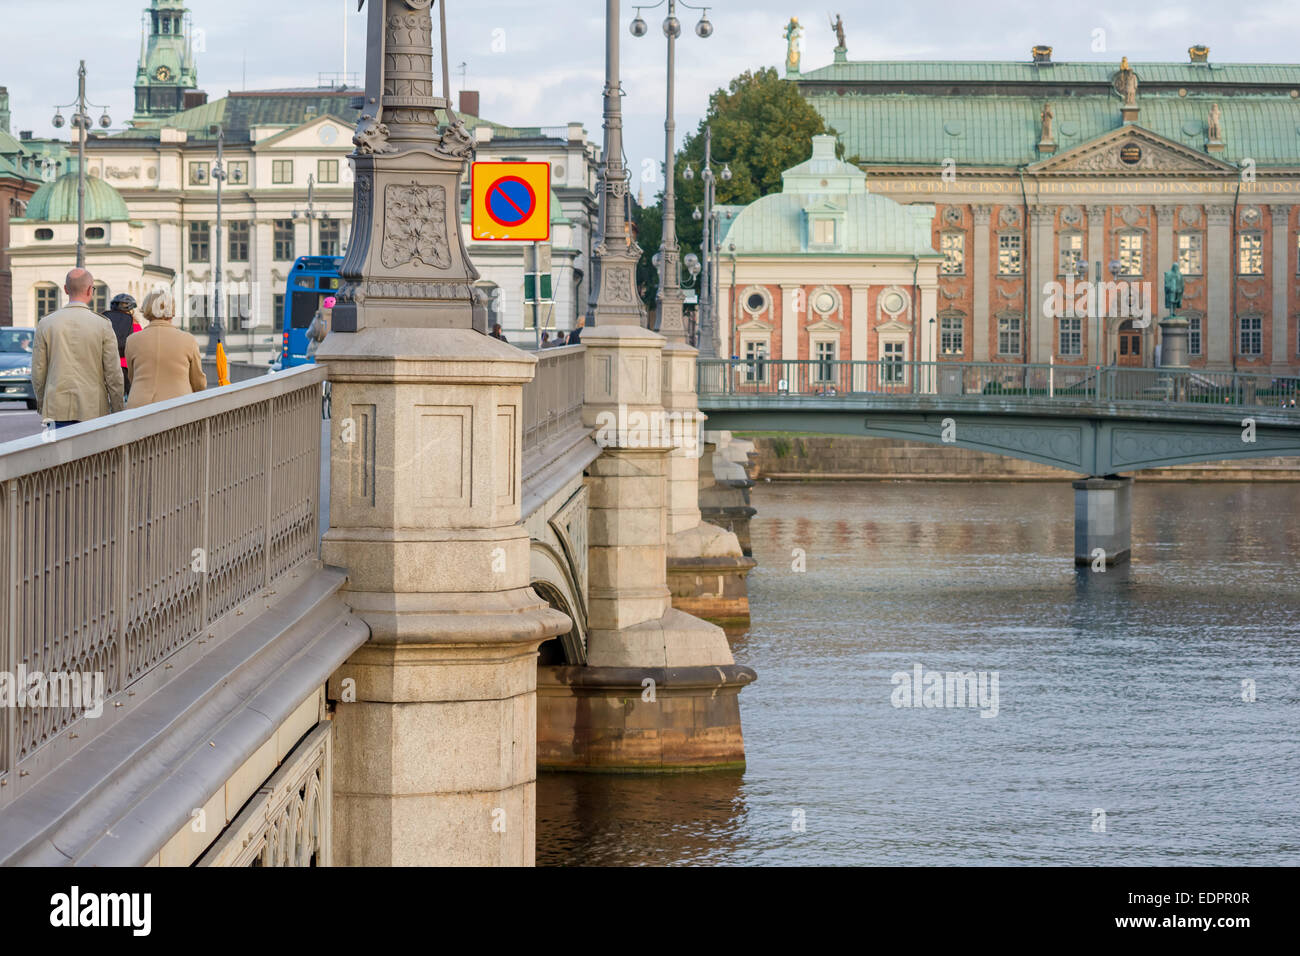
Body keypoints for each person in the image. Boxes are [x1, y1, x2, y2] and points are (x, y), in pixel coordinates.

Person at [31, 267, 124, 427]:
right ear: (90, 290)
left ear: (66, 289)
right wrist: (117, 408)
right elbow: (113, 373)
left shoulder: (46, 323)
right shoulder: (102, 324)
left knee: (59, 444)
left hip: (56, 407)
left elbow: (38, 370)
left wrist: (42, 402)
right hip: (93, 408)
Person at [125, 287, 206, 410]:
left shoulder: (132, 340)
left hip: (140, 408)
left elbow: (132, 377)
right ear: (172, 310)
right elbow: (198, 383)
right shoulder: (188, 340)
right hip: (178, 407)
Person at [103, 292, 140, 393]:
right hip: (126, 367)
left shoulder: (105, 321)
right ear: (131, 311)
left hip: (107, 365)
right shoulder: (134, 325)